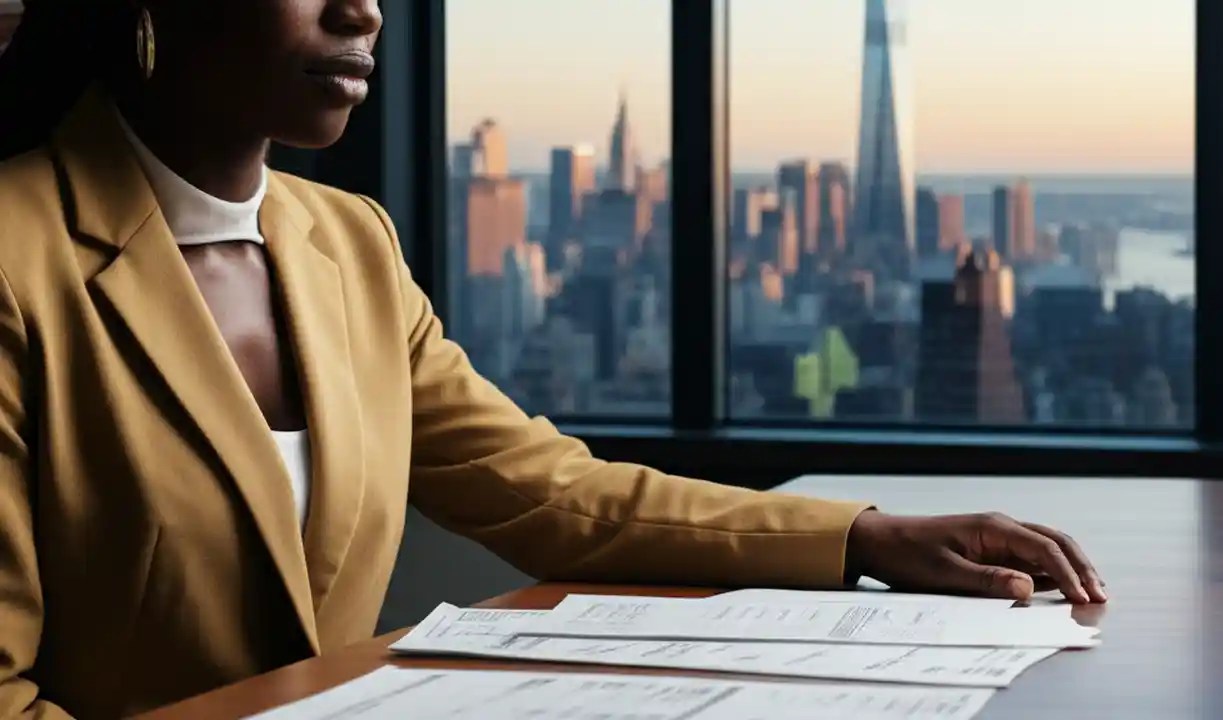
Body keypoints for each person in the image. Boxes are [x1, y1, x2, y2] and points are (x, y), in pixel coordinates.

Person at [0, 0, 1106, 717]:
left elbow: (555, 496)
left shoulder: (346, 245)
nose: (365, 12)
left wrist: (868, 538)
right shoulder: (15, 259)